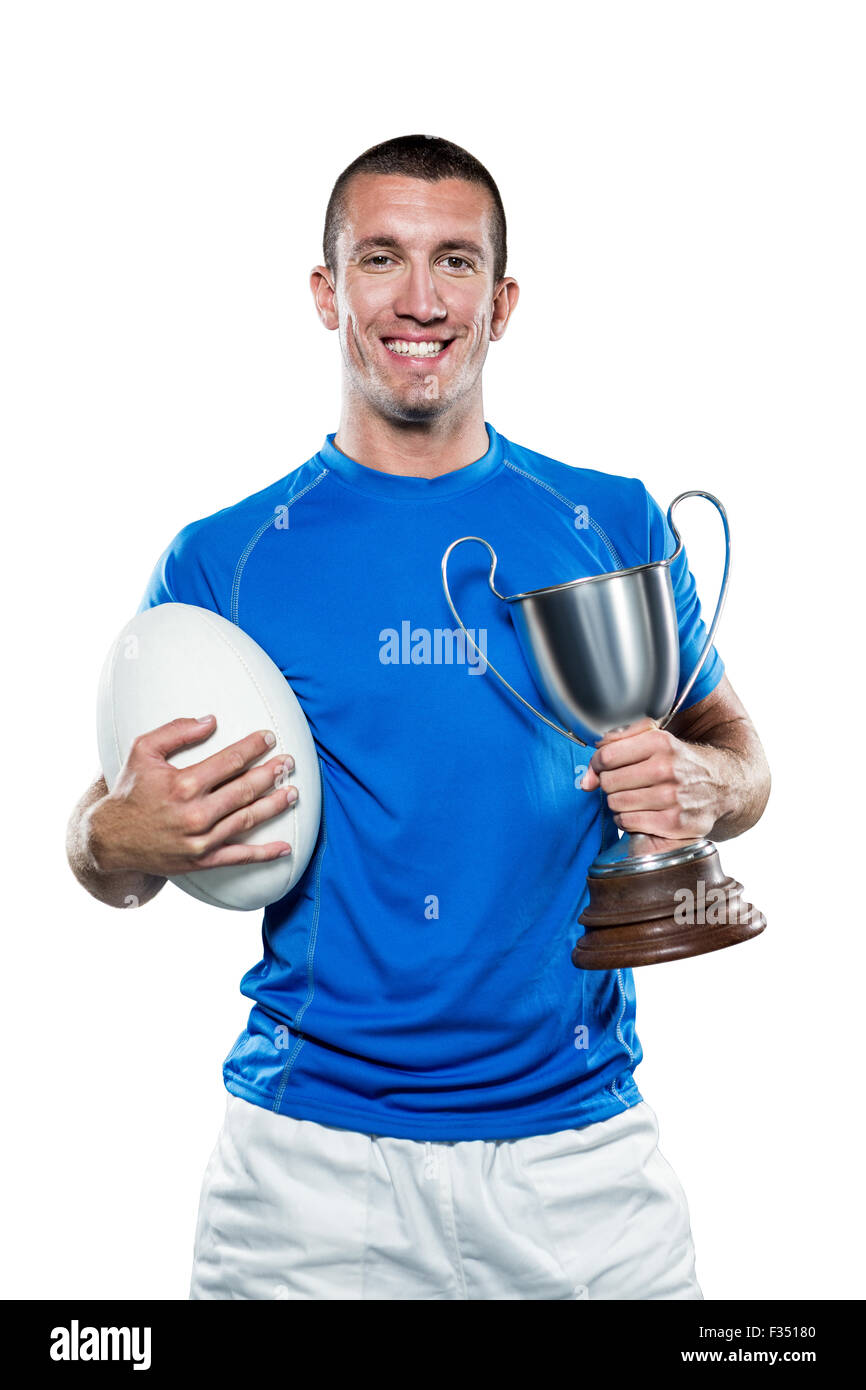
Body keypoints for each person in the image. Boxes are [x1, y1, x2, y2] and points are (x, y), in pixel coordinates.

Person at [66, 134, 771, 1301]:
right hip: (304, 1175)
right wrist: (115, 841)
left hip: (579, 1167)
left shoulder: (609, 518)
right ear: (323, 290)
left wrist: (708, 790)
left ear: (499, 303)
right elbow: (105, 838)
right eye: (379, 257)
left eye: (454, 262)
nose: (417, 298)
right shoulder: (224, 557)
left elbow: (736, 756)